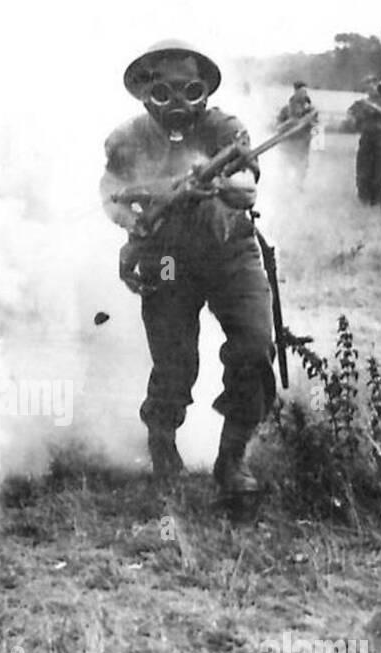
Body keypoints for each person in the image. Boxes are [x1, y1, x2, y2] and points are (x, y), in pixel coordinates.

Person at [100, 40, 275, 508]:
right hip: (167, 257)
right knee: (174, 364)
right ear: (144, 90)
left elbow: (246, 184)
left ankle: (232, 459)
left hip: (229, 252)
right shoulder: (126, 139)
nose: (178, 102)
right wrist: (133, 221)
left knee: (255, 347)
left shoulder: (225, 129)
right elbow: (110, 194)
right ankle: (162, 446)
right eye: (165, 90)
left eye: (189, 89)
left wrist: (225, 184)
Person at [348, 76, 381, 207]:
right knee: (363, 171)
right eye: (367, 85)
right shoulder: (361, 102)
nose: (370, 87)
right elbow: (351, 115)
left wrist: (372, 107)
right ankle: (364, 201)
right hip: (366, 138)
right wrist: (354, 118)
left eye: (373, 84)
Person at [276, 80, 316, 190]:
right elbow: (279, 125)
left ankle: (298, 186)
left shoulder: (311, 110)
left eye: (305, 91)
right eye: (301, 90)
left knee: (301, 166)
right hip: (289, 141)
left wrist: (317, 143)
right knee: (286, 163)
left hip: (303, 142)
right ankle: (284, 185)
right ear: (295, 91)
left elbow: (316, 127)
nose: (303, 93)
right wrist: (286, 125)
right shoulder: (286, 109)